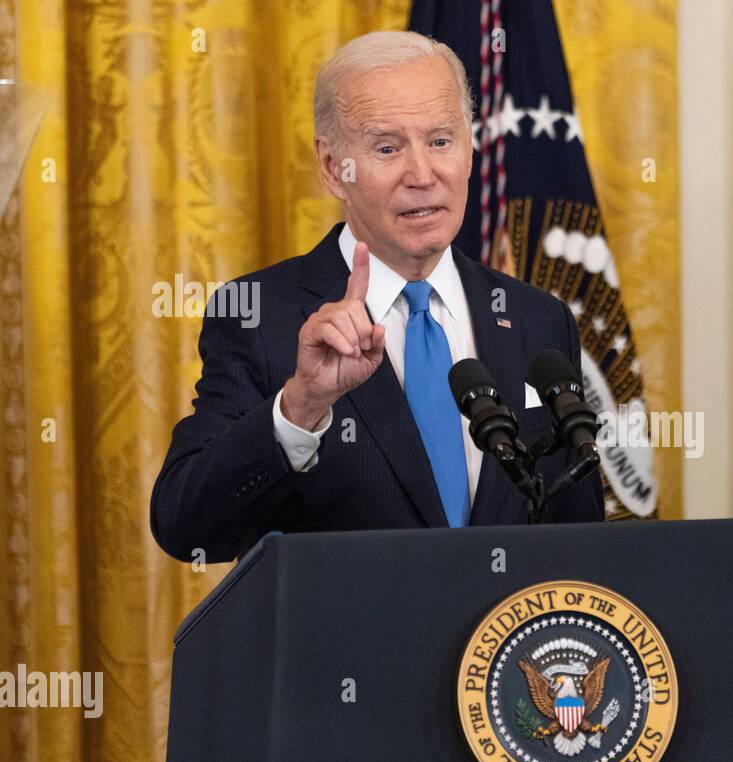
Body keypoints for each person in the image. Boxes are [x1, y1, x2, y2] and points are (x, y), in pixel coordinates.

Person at [150, 31, 602, 564]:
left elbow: (581, 543)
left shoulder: (537, 319)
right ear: (331, 167)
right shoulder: (258, 314)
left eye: (441, 140)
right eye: (388, 148)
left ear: (471, 145)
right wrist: (301, 406)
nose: (422, 175)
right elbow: (187, 528)